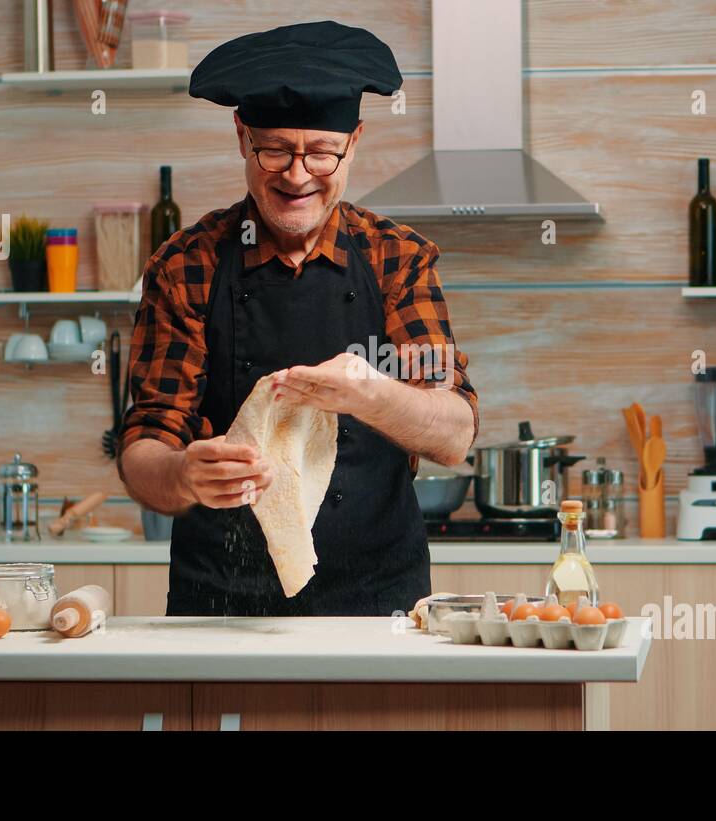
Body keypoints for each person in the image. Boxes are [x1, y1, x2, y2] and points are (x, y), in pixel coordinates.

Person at [118, 21, 478, 616]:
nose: (296, 174)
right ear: (242, 136)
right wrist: (183, 475)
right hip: (222, 613)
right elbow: (144, 446)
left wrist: (368, 393)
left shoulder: (398, 259)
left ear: (354, 142)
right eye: (276, 149)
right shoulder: (187, 264)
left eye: (321, 152)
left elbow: (453, 434)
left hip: (377, 609)